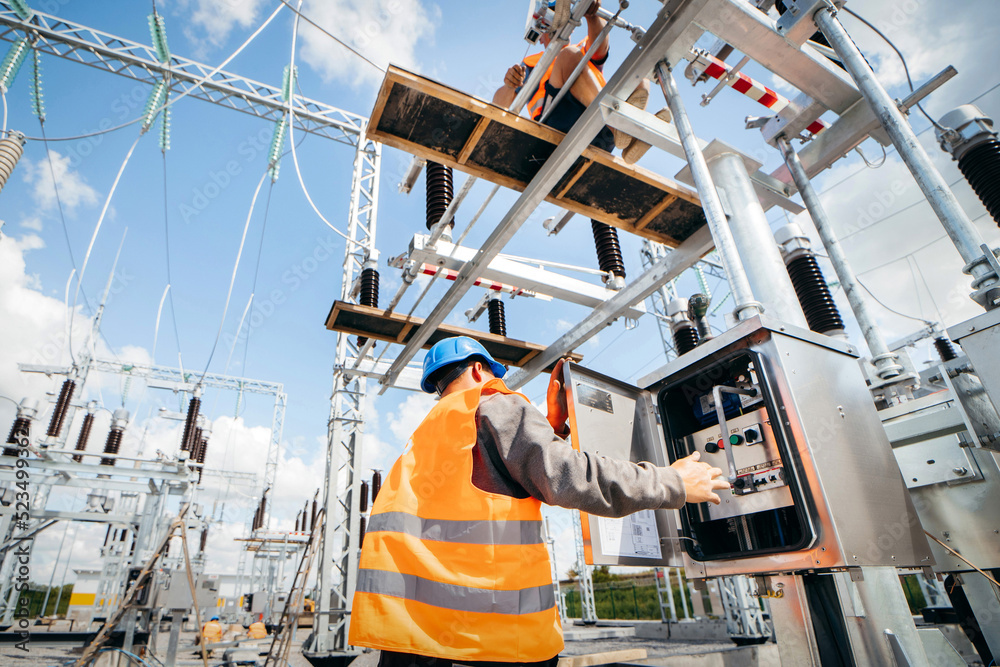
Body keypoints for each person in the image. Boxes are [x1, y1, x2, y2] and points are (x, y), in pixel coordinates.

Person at [349, 336, 728, 665]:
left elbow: (501, 481)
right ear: (480, 370)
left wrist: (550, 426)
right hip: (493, 641)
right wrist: (672, 481)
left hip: (415, 641)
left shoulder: (425, 439)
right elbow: (571, 477)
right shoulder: (496, 404)